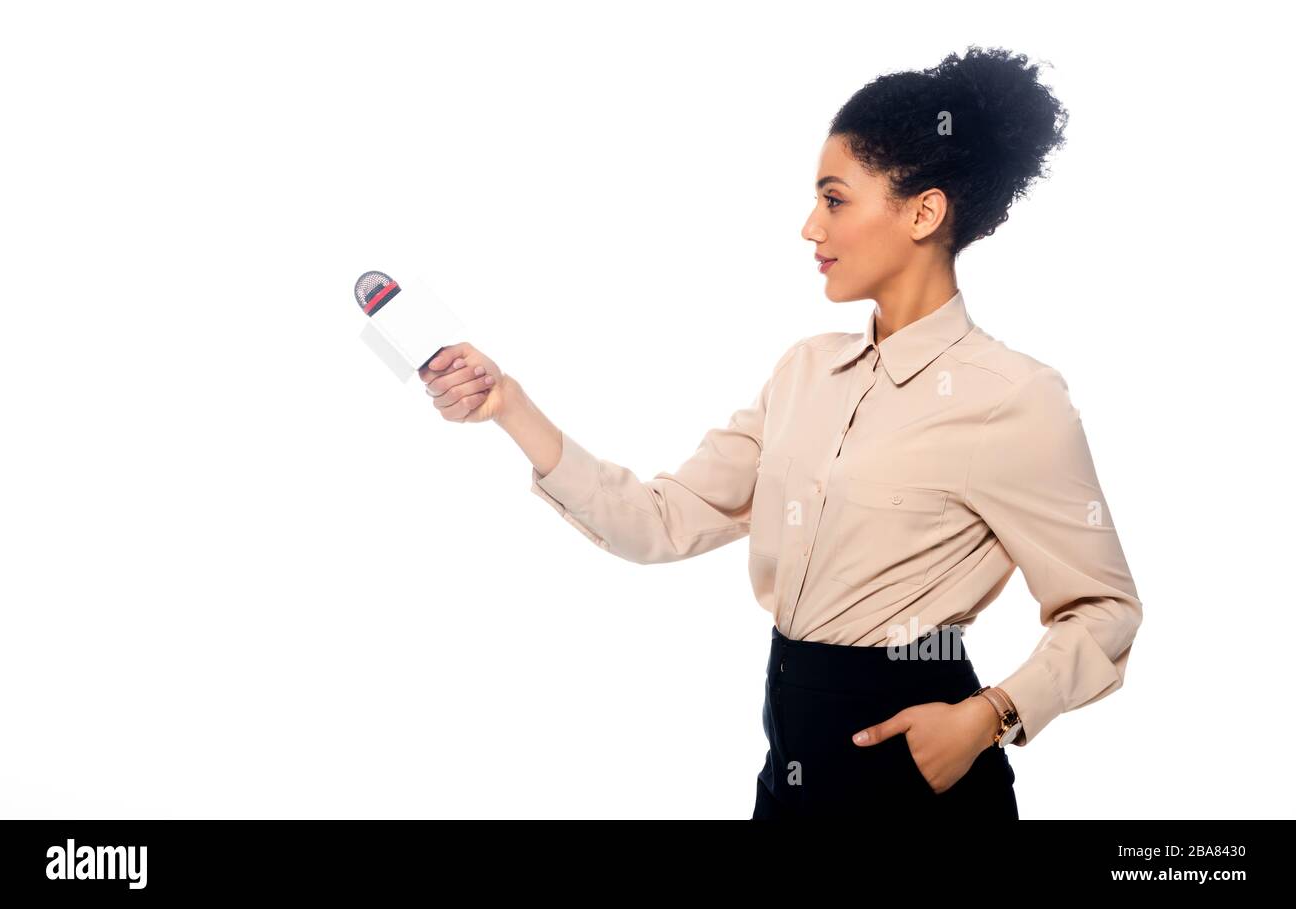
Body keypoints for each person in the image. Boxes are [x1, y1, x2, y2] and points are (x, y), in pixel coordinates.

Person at [417, 45, 1144, 819]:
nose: (809, 226)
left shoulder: (1016, 398)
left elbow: (1105, 605)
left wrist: (989, 714)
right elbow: (659, 523)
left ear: (923, 212)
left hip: (922, 768)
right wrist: (511, 407)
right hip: (791, 756)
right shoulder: (803, 372)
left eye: (834, 199)